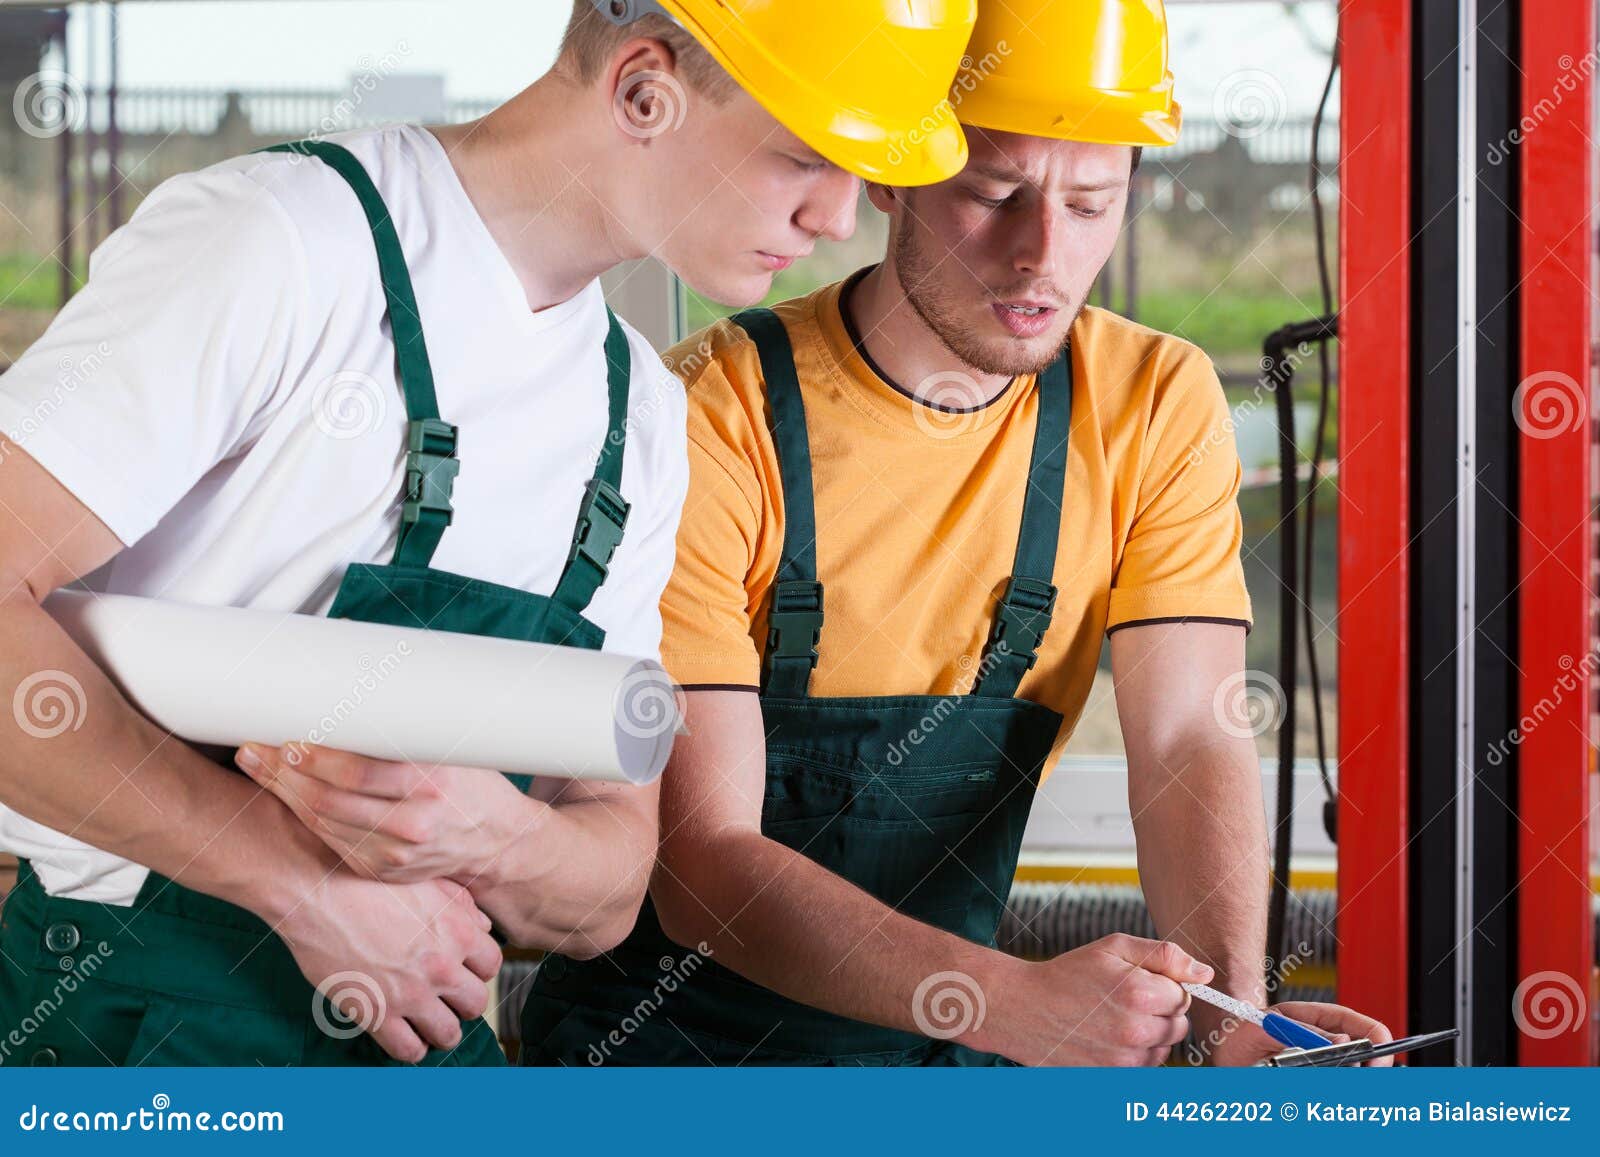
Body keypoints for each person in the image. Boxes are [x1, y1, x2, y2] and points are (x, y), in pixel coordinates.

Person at [0, 0, 978, 1067]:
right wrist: (297, 879)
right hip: (131, 1026)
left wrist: (499, 837)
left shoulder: (637, 413)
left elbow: (608, 877)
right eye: (806, 158)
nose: (839, 219)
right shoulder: (285, 245)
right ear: (643, 87)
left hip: (423, 1040)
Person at [514, 0, 1398, 1066]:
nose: (1043, 255)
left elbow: (1184, 740)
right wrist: (1005, 1002)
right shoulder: (709, 416)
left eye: (1091, 201)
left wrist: (1234, 1017)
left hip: (945, 1056)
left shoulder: (1153, 403)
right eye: (995, 192)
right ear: (890, 169)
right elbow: (704, 858)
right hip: (661, 1064)